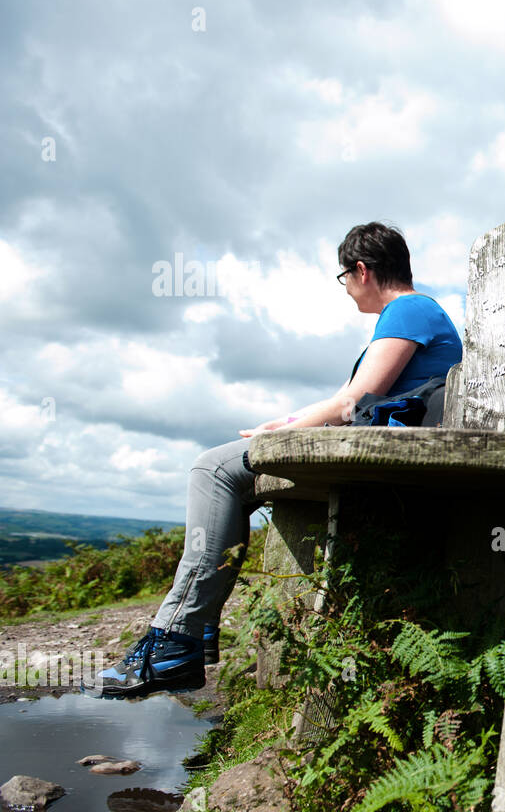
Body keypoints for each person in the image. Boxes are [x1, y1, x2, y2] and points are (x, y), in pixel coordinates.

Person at [89, 223, 462, 698]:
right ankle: (187, 638)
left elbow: (356, 400)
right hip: (381, 445)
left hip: (383, 452)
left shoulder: (409, 309)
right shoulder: (418, 311)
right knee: (225, 469)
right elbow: (350, 402)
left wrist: (281, 431)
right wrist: (281, 424)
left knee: (213, 468)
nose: (346, 290)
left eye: (344, 278)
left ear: (361, 270)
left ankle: (176, 641)